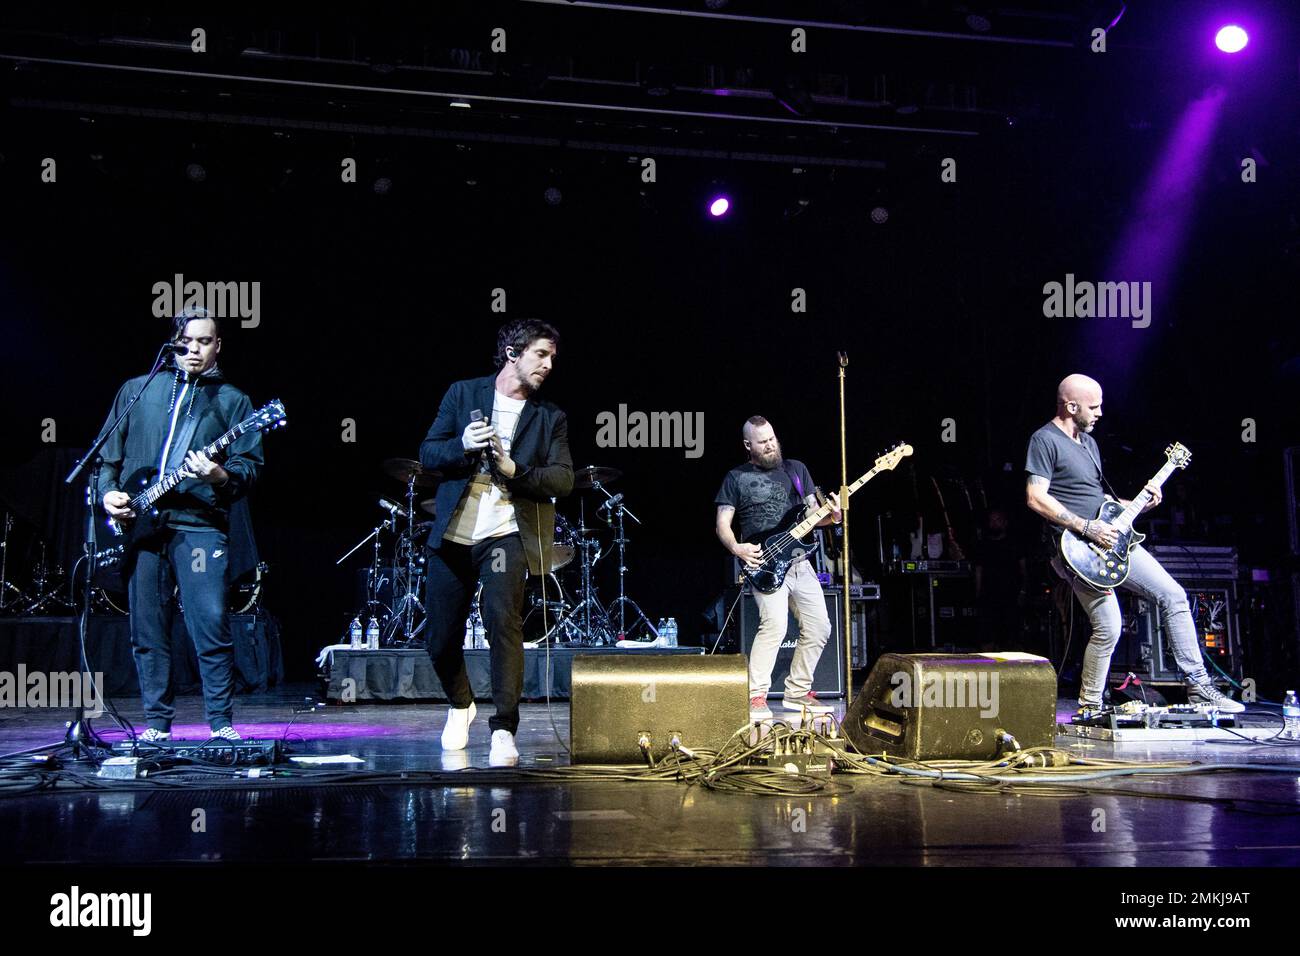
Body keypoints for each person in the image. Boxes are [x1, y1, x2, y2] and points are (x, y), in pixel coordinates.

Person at [1024, 373, 1243, 713]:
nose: (1099, 413)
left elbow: (1098, 500)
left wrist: (1138, 503)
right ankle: (1090, 706)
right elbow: (1035, 498)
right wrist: (1086, 527)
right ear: (1070, 405)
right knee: (1108, 627)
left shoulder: (1089, 443)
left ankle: (1199, 687)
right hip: (1080, 550)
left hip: (1113, 539)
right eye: (1093, 406)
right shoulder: (1044, 440)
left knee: (1173, 596)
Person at [98, 308, 264, 742]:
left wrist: (217, 475)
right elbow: (107, 459)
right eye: (188, 341)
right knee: (148, 628)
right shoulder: (138, 390)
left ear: (218, 346)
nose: (195, 349)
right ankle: (156, 725)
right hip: (143, 528)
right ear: (174, 342)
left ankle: (221, 724)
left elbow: (250, 468)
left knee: (209, 623)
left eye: (205, 341)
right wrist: (108, 493)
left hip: (199, 526)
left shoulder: (232, 400)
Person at [419, 319, 573, 766]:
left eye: (552, 358)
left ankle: (504, 727)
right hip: (453, 533)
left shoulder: (550, 417)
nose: (548, 365)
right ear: (512, 353)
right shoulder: (463, 393)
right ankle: (460, 703)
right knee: (439, 637)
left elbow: (563, 479)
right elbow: (429, 451)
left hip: (505, 532)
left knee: (503, 625)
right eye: (540, 354)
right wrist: (463, 445)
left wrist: (513, 470)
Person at [715, 416, 841, 720]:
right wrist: (737, 548)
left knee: (820, 626)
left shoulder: (796, 470)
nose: (770, 445)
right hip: (765, 563)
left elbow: (813, 516)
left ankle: (797, 692)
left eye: (772, 438)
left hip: (799, 562)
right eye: (763, 442)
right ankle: (755, 695)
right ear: (748, 445)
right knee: (774, 625)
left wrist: (833, 516)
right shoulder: (736, 477)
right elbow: (722, 524)